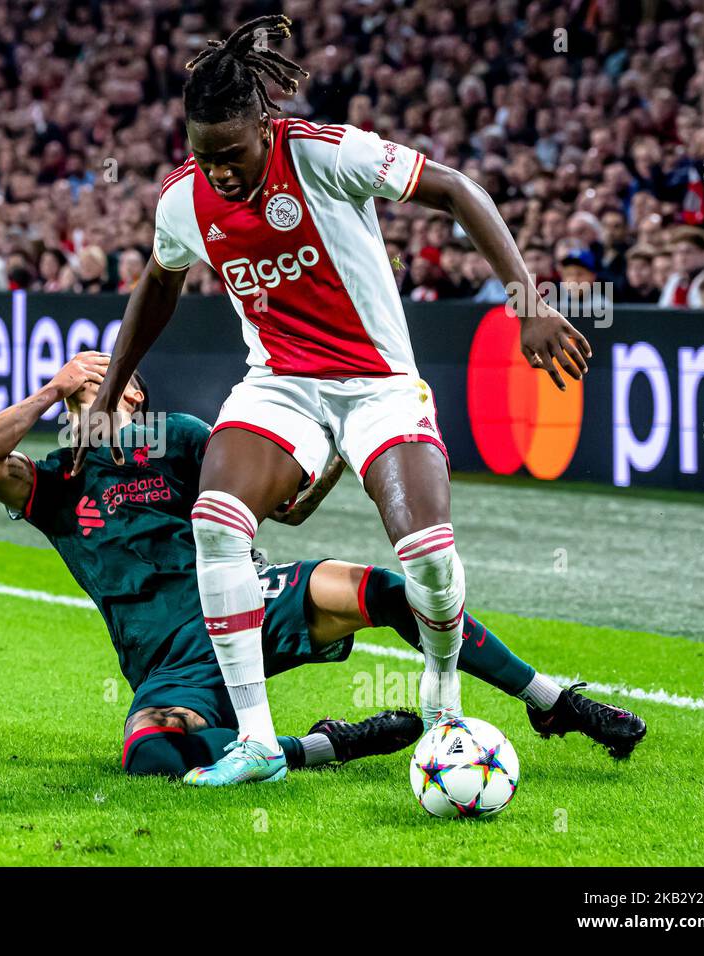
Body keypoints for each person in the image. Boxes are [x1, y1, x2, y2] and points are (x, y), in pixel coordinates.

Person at [74, 15, 592, 785]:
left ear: (266, 126)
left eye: (232, 153)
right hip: (280, 384)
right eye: (203, 155)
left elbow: (454, 188)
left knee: (429, 559)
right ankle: (255, 743)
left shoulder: (323, 153)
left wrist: (527, 299)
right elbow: (158, 282)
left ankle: (443, 704)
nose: (218, 172)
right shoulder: (183, 201)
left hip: (378, 384)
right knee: (217, 520)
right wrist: (109, 391)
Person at [0, 354, 646, 781]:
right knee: (152, 758)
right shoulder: (57, 483)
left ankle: (552, 703)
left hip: (250, 602)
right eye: (86, 378)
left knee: (394, 591)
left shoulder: (184, 441)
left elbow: (286, 511)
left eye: (109, 376)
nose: (95, 384)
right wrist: (53, 387)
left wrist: (343, 452)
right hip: (168, 663)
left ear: (137, 398)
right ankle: (323, 747)